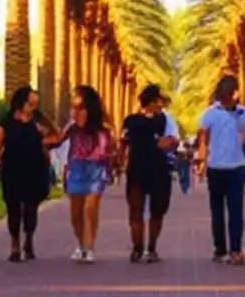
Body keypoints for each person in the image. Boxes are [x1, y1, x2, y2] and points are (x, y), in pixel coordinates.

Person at [0, 85, 61, 263]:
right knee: (13, 208)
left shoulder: (39, 119)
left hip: (35, 170)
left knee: (31, 208)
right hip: (12, 170)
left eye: (35, 103)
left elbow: (58, 135)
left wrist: (45, 140)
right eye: (31, 102)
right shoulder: (7, 122)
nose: (34, 105)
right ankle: (15, 245)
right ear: (22, 102)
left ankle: (29, 240)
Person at [195, 75, 245, 265]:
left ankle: (236, 249)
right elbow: (203, 138)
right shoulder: (210, 114)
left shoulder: (243, 113)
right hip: (216, 167)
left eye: (231, 94)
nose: (228, 98)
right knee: (217, 211)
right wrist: (201, 161)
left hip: (237, 167)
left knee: (236, 211)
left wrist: (236, 111)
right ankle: (220, 248)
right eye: (226, 94)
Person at [120, 84, 179, 263]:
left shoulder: (164, 120)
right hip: (137, 169)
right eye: (158, 101)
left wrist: (169, 143)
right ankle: (137, 247)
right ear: (151, 102)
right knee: (135, 210)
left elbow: (172, 141)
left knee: (157, 210)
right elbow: (125, 141)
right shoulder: (131, 120)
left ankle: (151, 248)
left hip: (159, 170)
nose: (161, 105)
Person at [58, 85, 115, 264]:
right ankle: (80, 244)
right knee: (75, 211)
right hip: (76, 167)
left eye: (78, 99)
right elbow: (59, 139)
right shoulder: (73, 125)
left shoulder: (104, 124)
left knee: (90, 209)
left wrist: (114, 163)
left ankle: (89, 247)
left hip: (97, 168)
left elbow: (112, 145)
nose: (75, 103)